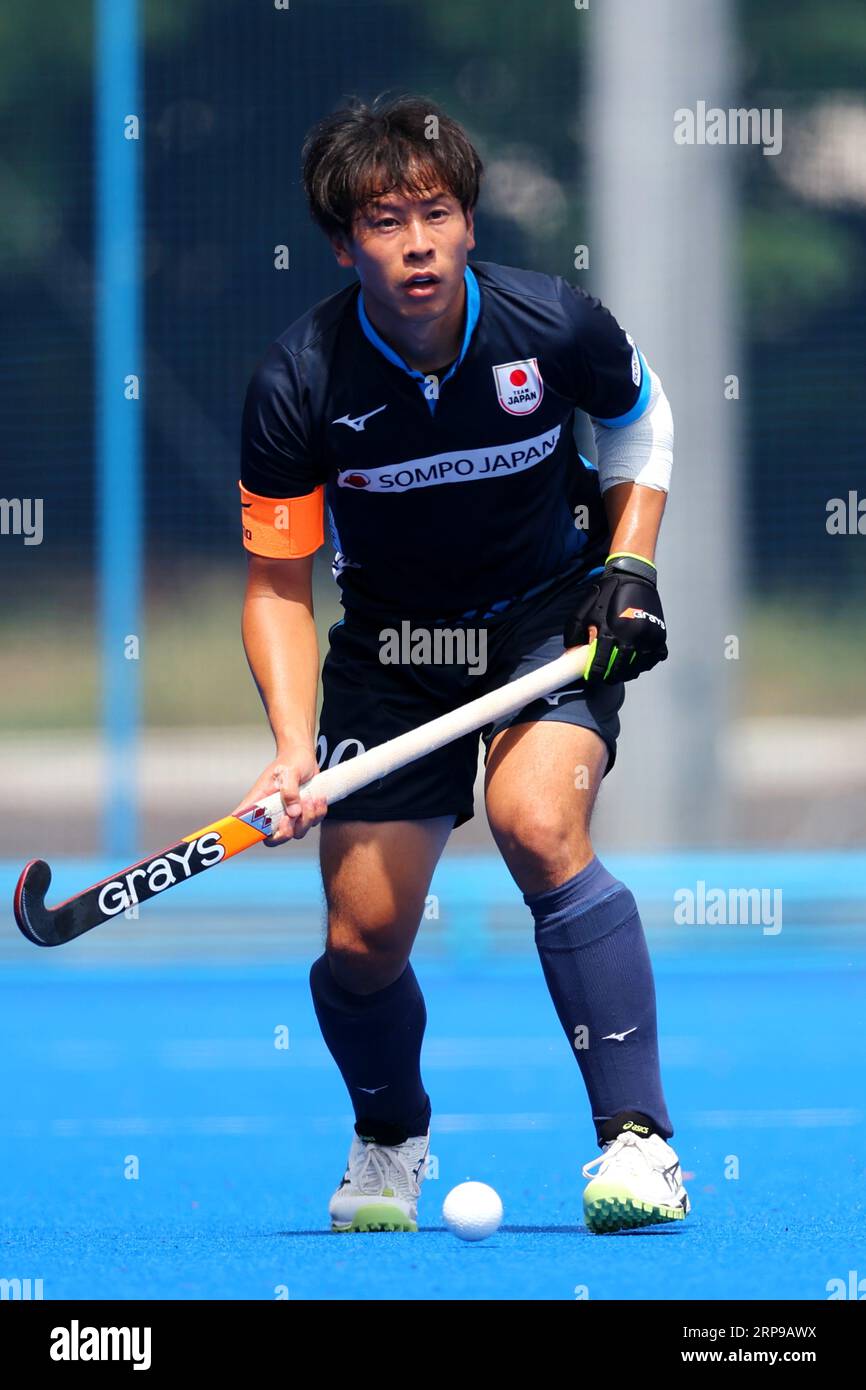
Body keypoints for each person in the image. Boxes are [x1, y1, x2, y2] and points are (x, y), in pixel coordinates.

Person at [233, 94, 688, 1235]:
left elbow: (641, 420)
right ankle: (389, 1137)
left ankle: (638, 1144)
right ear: (346, 244)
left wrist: (626, 565)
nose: (418, 241)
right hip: (394, 656)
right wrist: (293, 752)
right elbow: (278, 587)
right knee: (360, 940)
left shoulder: (551, 325)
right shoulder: (300, 383)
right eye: (386, 222)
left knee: (536, 819)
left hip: (546, 625)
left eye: (436, 212)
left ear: (470, 222)